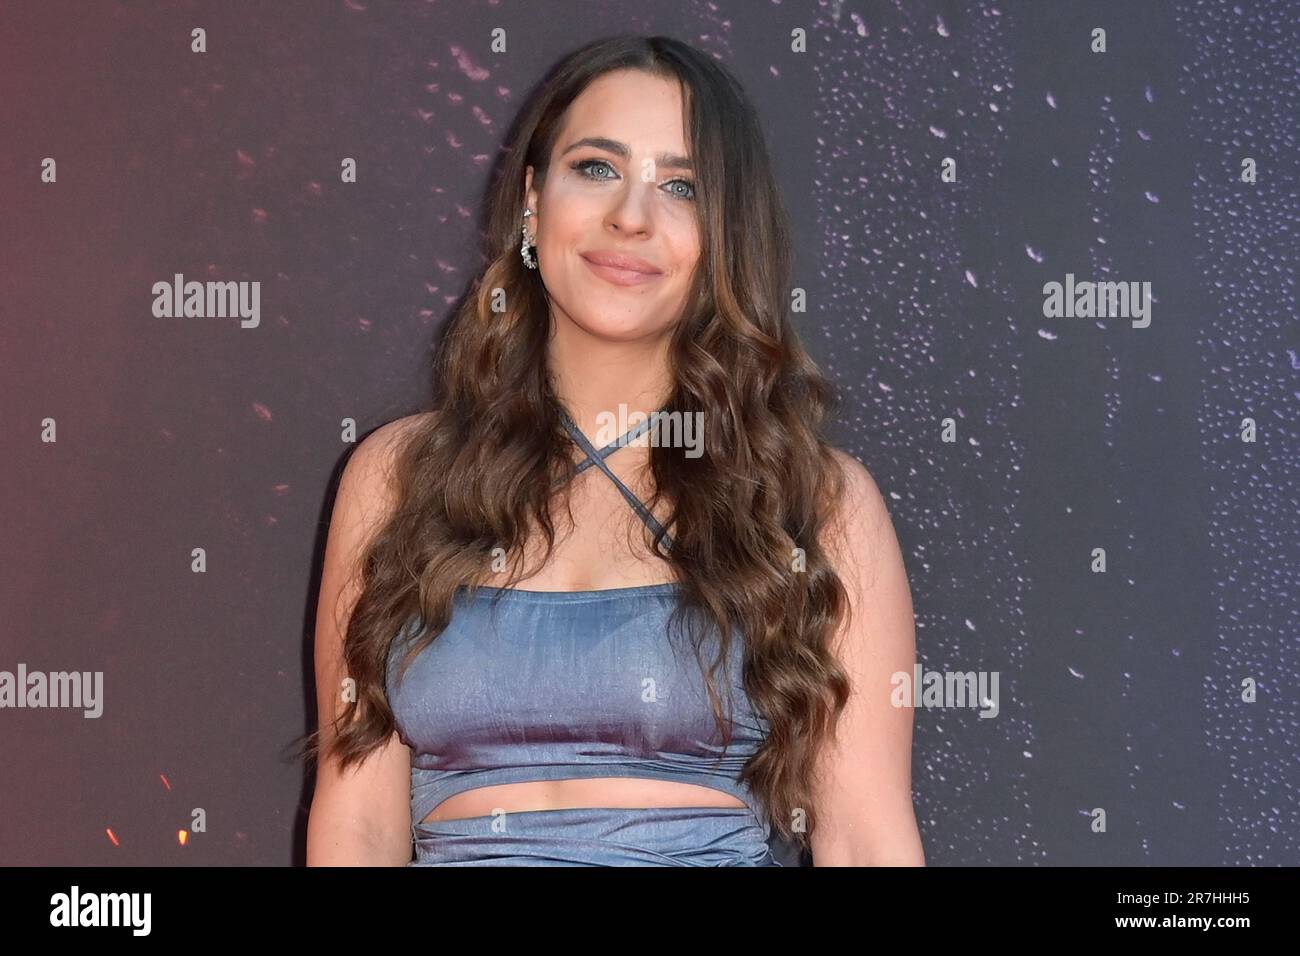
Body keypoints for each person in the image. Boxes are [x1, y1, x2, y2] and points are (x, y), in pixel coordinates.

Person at [302, 33, 923, 866]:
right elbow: (357, 823)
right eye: (597, 168)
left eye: (682, 186)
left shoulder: (812, 499)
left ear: (725, 236)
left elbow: (864, 839)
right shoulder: (398, 477)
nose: (631, 216)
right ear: (533, 201)